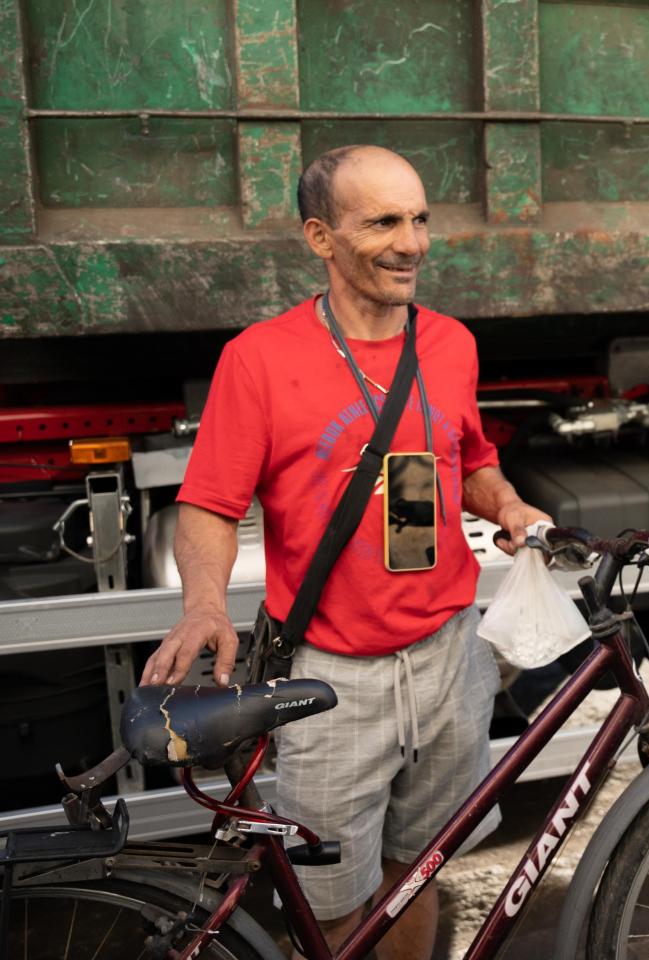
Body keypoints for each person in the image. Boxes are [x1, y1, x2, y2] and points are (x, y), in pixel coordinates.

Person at [141, 145, 552, 959]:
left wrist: (505, 503)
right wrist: (203, 605)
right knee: (331, 914)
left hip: (449, 657)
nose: (414, 243)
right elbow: (210, 504)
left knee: (417, 874)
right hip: (333, 682)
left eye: (421, 218)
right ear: (320, 238)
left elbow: (465, 459)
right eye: (385, 222)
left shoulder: (452, 345)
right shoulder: (259, 359)